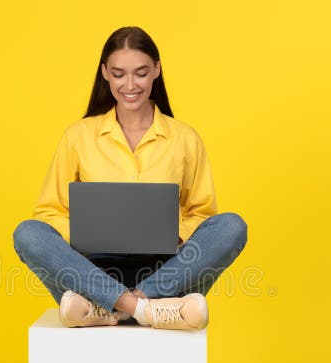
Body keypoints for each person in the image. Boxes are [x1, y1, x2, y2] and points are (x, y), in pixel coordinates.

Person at [13, 26, 247, 330]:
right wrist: (87, 233)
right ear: (105, 74)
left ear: (156, 71)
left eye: (140, 72)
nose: (130, 84)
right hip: (92, 271)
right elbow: (47, 212)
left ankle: (113, 308)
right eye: (119, 73)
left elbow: (202, 214)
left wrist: (173, 234)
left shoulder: (185, 138)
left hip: (167, 272)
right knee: (28, 233)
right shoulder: (78, 136)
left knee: (231, 226)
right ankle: (141, 309)